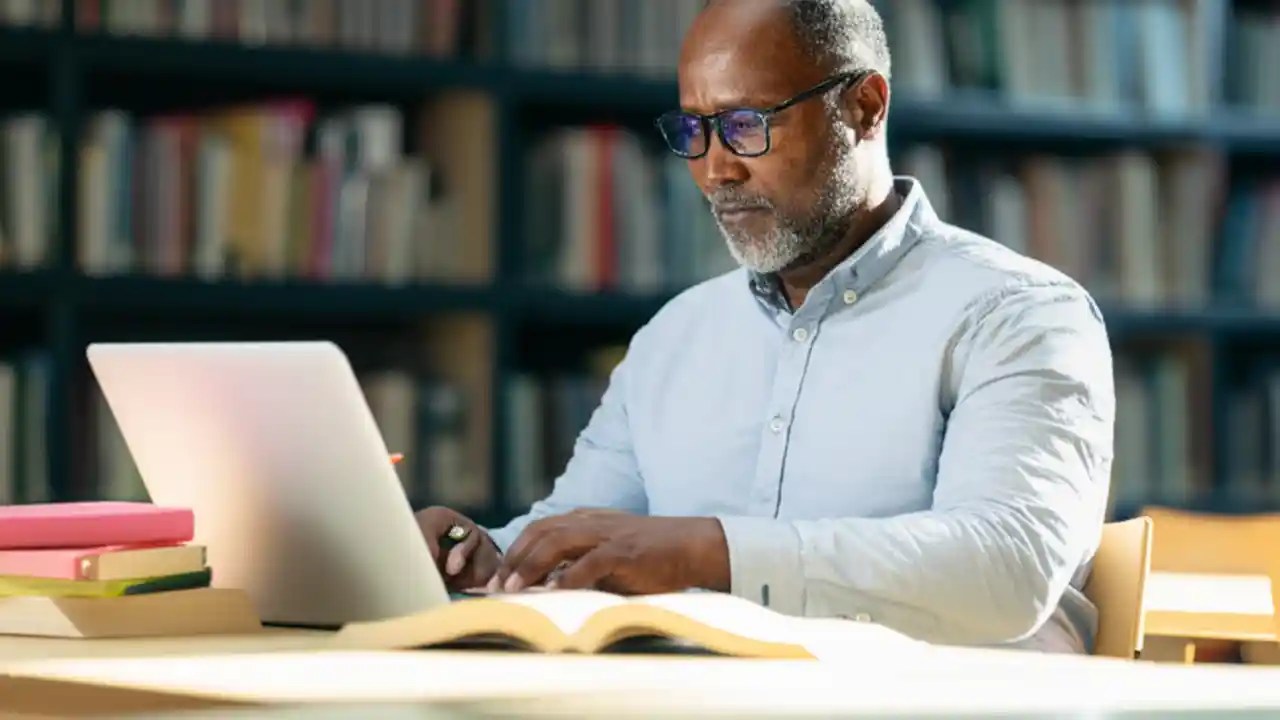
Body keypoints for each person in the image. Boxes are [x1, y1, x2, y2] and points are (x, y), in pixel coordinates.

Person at [417, 0, 1115, 654]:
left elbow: (1005, 569)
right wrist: (484, 553)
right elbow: (584, 531)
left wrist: (708, 552)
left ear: (865, 108)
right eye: (695, 129)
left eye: (748, 123)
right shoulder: (678, 334)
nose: (716, 168)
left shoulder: (1019, 314)